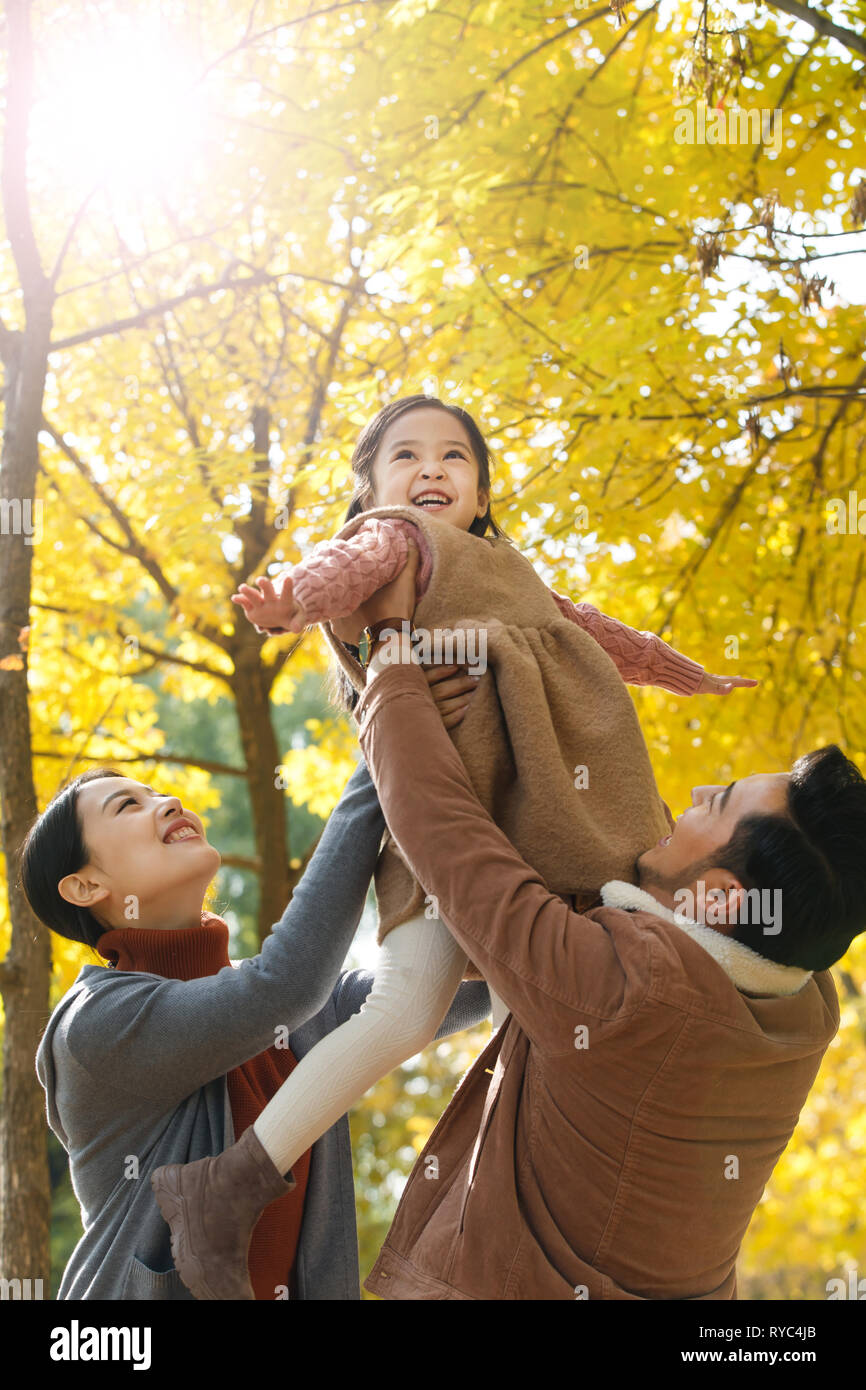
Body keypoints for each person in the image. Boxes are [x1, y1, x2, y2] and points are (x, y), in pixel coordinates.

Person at [153, 395, 758, 1299]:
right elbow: (340, 567)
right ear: (370, 488)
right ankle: (226, 1187)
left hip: (528, 833)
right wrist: (289, 601)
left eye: (454, 458)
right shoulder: (396, 543)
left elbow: (604, 636)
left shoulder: (510, 577)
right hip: (451, 839)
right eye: (405, 456)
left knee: (562, 991)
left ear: (480, 491)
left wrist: (686, 673)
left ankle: (506, 1223)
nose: (431, 471)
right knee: (403, 1013)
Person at [343, 567, 864, 1299]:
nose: (691, 795)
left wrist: (390, 655)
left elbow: (448, 840)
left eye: (717, 804)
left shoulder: (627, 991)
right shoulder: (806, 1001)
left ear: (718, 901)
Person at [25, 711, 490, 1300]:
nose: (167, 802)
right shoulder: (95, 1026)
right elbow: (286, 985)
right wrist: (386, 749)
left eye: (158, 792)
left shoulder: (279, 1013)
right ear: (87, 887)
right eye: (127, 806)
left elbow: (427, 991)